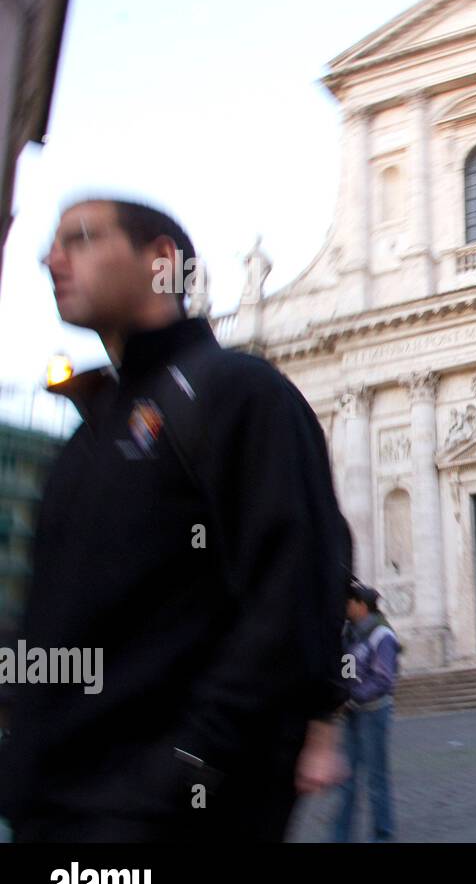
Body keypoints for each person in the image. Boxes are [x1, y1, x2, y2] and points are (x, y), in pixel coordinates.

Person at [0, 198, 350, 841]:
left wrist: (184, 775)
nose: (51, 258)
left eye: (80, 238)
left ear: (161, 261)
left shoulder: (240, 394)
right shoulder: (88, 436)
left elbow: (293, 604)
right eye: (53, 244)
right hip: (57, 820)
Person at [333, 580, 399, 842]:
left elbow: (384, 679)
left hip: (374, 712)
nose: (344, 608)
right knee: (346, 780)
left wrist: (352, 696)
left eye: (348, 603)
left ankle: (382, 834)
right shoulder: (350, 633)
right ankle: (339, 835)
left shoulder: (382, 635)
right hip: (351, 713)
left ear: (361, 604)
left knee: (376, 778)